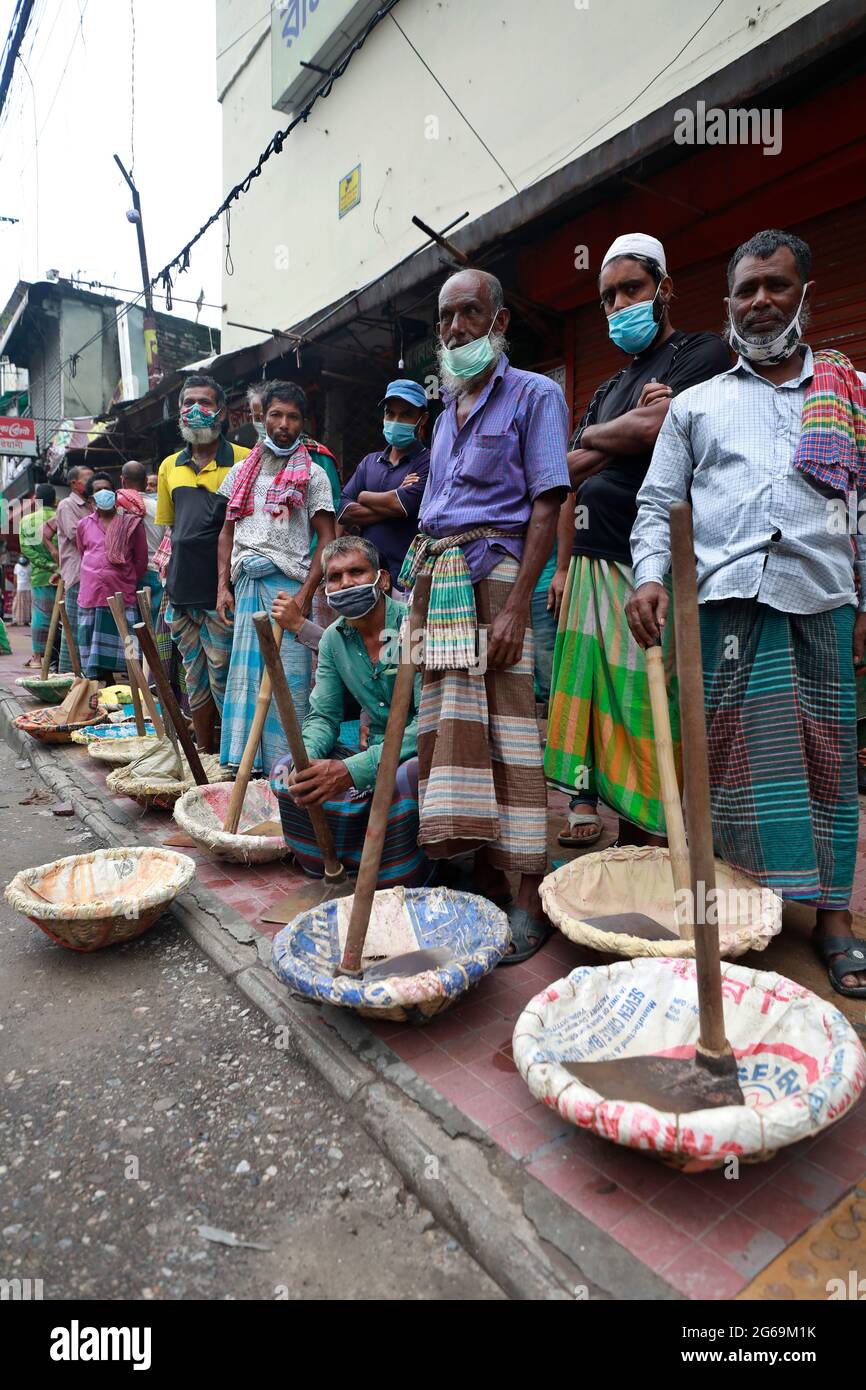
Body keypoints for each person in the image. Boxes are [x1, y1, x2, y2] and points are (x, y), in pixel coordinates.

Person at [628, 228, 866, 998]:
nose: (761, 301)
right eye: (746, 290)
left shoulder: (850, 395)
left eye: (777, 286)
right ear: (727, 304)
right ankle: (737, 907)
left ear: (805, 296)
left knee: (832, 763)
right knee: (726, 769)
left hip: (823, 599)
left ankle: (833, 921)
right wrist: (650, 577)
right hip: (724, 607)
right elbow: (658, 502)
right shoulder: (696, 406)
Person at [400, 268, 570, 962]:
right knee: (447, 738)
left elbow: (548, 501)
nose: (455, 328)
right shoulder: (442, 418)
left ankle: (528, 893)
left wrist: (519, 610)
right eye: (444, 318)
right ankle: (476, 870)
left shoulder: (536, 394)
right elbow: (434, 512)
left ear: (500, 322)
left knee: (513, 740)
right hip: (438, 583)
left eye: (470, 313)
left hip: (497, 580)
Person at [544, 234, 732, 849]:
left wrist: (618, 434)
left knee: (645, 700)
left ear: (664, 289)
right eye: (607, 297)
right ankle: (595, 807)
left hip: (646, 562)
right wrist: (562, 568)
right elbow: (566, 474)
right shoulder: (606, 388)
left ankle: (649, 829)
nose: (619, 305)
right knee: (594, 703)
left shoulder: (700, 353)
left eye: (632, 289)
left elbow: (660, 428)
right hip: (590, 564)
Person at [270, 536, 432, 887]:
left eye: (357, 572)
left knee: (405, 779)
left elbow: (428, 724)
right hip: (370, 749)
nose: (345, 583)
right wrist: (306, 759)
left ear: (383, 579)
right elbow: (323, 717)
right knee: (285, 772)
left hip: (418, 750)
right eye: (335, 577)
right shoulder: (332, 639)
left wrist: (351, 770)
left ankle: (398, 875)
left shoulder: (413, 627)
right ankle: (333, 861)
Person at [216, 380, 336, 774]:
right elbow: (227, 533)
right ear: (261, 417)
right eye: (276, 415)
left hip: (288, 591)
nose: (284, 424)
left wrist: (305, 594)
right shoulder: (239, 472)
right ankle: (245, 770)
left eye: (293, 417)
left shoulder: (314, 474)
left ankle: (286, 771)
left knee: (287, 684)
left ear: (304, 422)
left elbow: (327, 540)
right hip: (247, 587)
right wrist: (223, 586)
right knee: (249, 682)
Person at [156, 373, 249, 752]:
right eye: (187, 403)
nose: (195, 410)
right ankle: (207, 754)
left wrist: (226, 585)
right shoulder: (168, 467)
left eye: (205, 403)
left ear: (222, 412)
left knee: (224, 676)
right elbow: (172, 531)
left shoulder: (244, 461)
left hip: (222, 591)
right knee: (193, 677)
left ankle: (233, 755)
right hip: (182, 589)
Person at [337, 379, 431, 590]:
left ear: (422, 419)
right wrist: (393, 499)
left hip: (408, 577)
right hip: (366, 576)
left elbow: (401, 506)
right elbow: (343, 511)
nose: (395, 420)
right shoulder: (370, 462)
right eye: (390, 413)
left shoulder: (428, 462)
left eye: (405, 414)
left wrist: (363, 496)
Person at [76, 473, 148, 680]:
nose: (103, 496)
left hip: (121, 590)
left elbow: (140, 559)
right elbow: (83, 551)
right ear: (92, 501)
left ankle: (133, 677)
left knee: (127, 639)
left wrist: (127, 577)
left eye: (106, 490)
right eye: (97, 492)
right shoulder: (84, 524)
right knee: (92, 638)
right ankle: (99, 678)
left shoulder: (132, 524)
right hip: (92, 592)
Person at [53, 465, 94, 672]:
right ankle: (70, 676)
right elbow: (73, 534)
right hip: (78, 574)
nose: (91, 481)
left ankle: (86, 676)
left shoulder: (91, 504)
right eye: (87, 478)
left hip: (92, 575)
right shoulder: (67, 505)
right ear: (74, 483)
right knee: (74, 629)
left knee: (87, 628)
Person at [119, 460, 164, 626]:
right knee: (156, 628)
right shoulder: (159, 507)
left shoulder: (116, 508)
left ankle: (133, 653)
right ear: (146, 481)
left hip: (125, 573)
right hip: (155, 571)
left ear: (122, 481)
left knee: (130, 627)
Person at [19, 483, 59, 668]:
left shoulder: (26, 521)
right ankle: (58, 658)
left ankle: (37, 658)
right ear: (55, 500)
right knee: (62, 617)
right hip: (64, 575)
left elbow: (26, 549)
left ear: (35, 499)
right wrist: (57, 568)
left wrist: (47, 565)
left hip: (40, 576)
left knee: (40, 616)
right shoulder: (62, 517)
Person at [12, 554, 31, 626]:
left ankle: (26, 621)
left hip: (28, 588)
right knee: (17, 604)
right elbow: (15, 578)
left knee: (27, 605)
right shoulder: (17, 566)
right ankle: (16, 620)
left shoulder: (30, 566)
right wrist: (14, 588)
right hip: (19, 588)